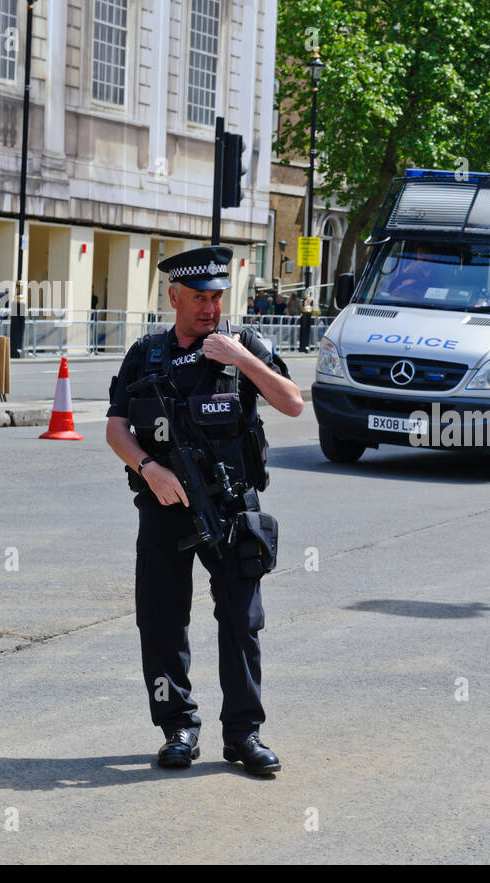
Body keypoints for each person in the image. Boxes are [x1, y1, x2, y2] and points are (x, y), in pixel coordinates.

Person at [105, 245, 304, 775]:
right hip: (165, 508)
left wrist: (240, 358)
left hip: (234, 511)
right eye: (198, 298)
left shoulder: (245, 345)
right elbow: (116, 428)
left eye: (217, 297)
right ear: (174, 297)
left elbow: (292, 402)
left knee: (241, 621)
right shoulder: (146, 354)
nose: (210, 308)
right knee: (162, 621)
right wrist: (150, 468)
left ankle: (244, 734)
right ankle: (178, 728)